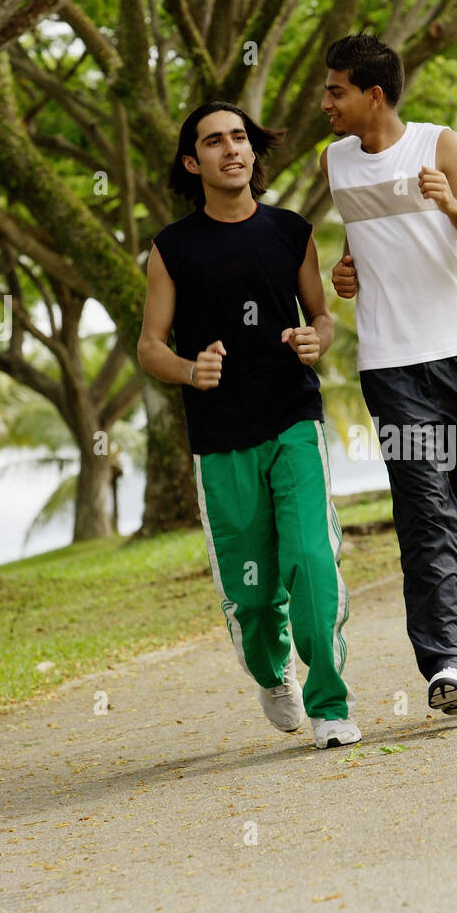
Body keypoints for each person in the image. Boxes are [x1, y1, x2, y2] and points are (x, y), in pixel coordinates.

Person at [320, 33, 457, 717]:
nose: (325, 103)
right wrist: (347, 275)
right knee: (422, 510)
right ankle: (449, 661)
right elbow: (364, 248)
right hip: (391, 367)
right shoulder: (335, 161)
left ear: (372, 95)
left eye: (336, 91)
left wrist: (449, 205)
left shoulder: (440, 146)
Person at [137, 101, 359, 750]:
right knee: (254, 595)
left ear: (253, 153)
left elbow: (322, 317)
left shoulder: (291, 231)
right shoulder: (172, 250)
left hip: (293, 420)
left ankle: (330, 703)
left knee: (312, 562)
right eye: (214, 141)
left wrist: (316, 339)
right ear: (192, 161)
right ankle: (271, 673)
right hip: (221, 439)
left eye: (240, 138)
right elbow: (150, 346)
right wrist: (189, 370)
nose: (231, 149)